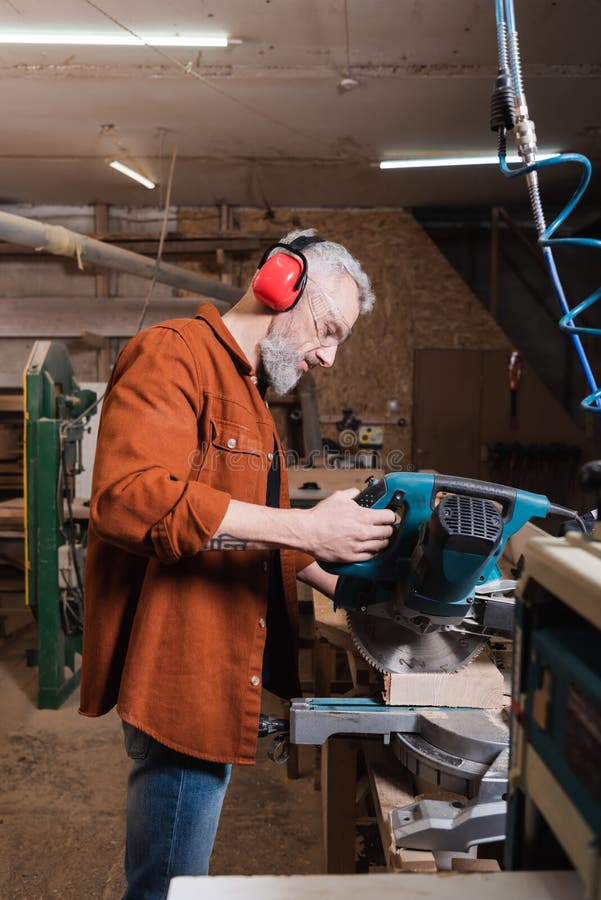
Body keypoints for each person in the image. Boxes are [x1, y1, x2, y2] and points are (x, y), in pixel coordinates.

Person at [79, 229, 395, 899]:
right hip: (178, 674)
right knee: (166, 887)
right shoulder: (173, 356)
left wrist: (340, 576)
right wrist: (308, 525)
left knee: (175, 878)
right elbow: (129, 500)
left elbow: (244, 533)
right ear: (279, 283)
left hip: (216, 665)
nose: (330, 356)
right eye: (328, 329)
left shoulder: (250, 397)